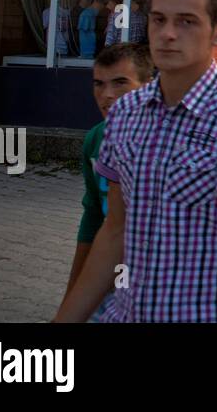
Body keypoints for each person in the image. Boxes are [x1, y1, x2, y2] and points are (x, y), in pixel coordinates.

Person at [55, 0, 217, 323]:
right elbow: (114, 230)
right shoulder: (126, 113)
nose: (167, 34)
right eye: (158, 20)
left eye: (186, 22)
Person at [58, 43, 154, 321]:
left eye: (120, 83)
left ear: (148, 85)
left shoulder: (166, 142)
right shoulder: (95, 141)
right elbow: (92, 218)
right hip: (109, 283)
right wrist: (71, 297)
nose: (107, 95)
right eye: (98, 84)